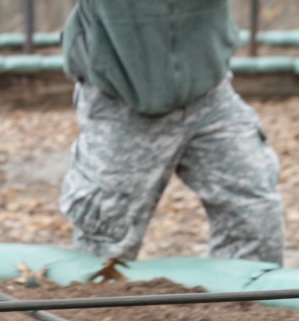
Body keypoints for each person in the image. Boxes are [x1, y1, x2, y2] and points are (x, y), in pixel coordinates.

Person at [59, 0, 286, 266]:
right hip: (121, 96)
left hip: (208, 92)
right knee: (106, 235)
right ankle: (94, 305)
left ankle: (246, 303)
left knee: (254, 213)